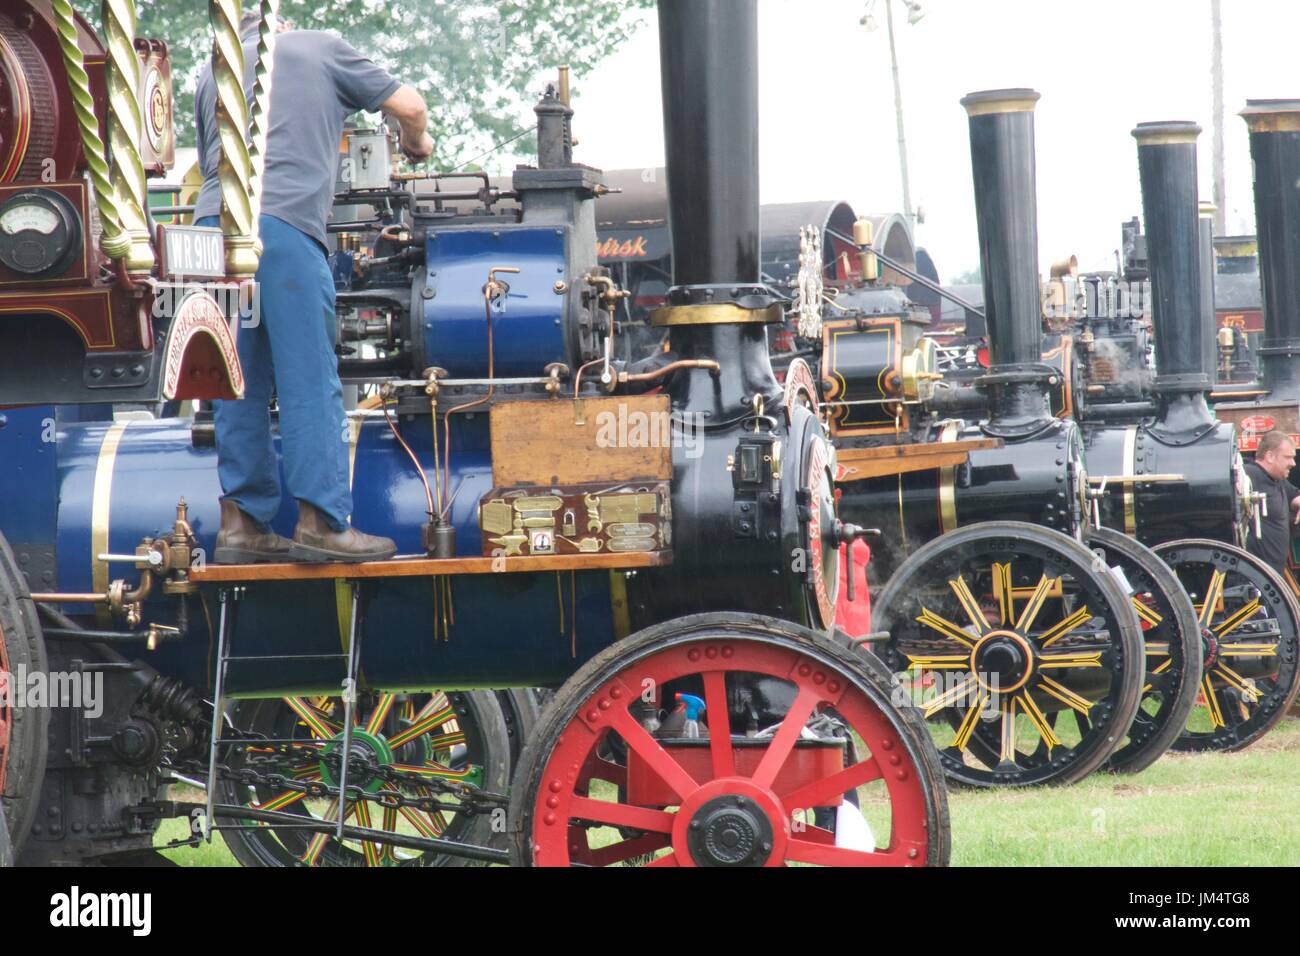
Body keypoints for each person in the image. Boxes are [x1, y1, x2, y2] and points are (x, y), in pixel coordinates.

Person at [193, 13, 433, 563]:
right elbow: (412, 107)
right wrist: (414, 140)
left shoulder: (213, 69)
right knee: (308, 376)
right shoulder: (321, 47)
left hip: (210, 234)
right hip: (281, 225)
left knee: (236, 379)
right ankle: (323, 521)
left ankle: (242, 526)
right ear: (283, 17)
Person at [1243, 430, 1300, 574]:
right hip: (1255, 574)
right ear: (1270, 456)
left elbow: (1296, 498)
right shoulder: (1247, 476)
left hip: (1273, 575)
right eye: (1288, 457)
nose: (1293, 463)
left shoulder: (1279, 480)